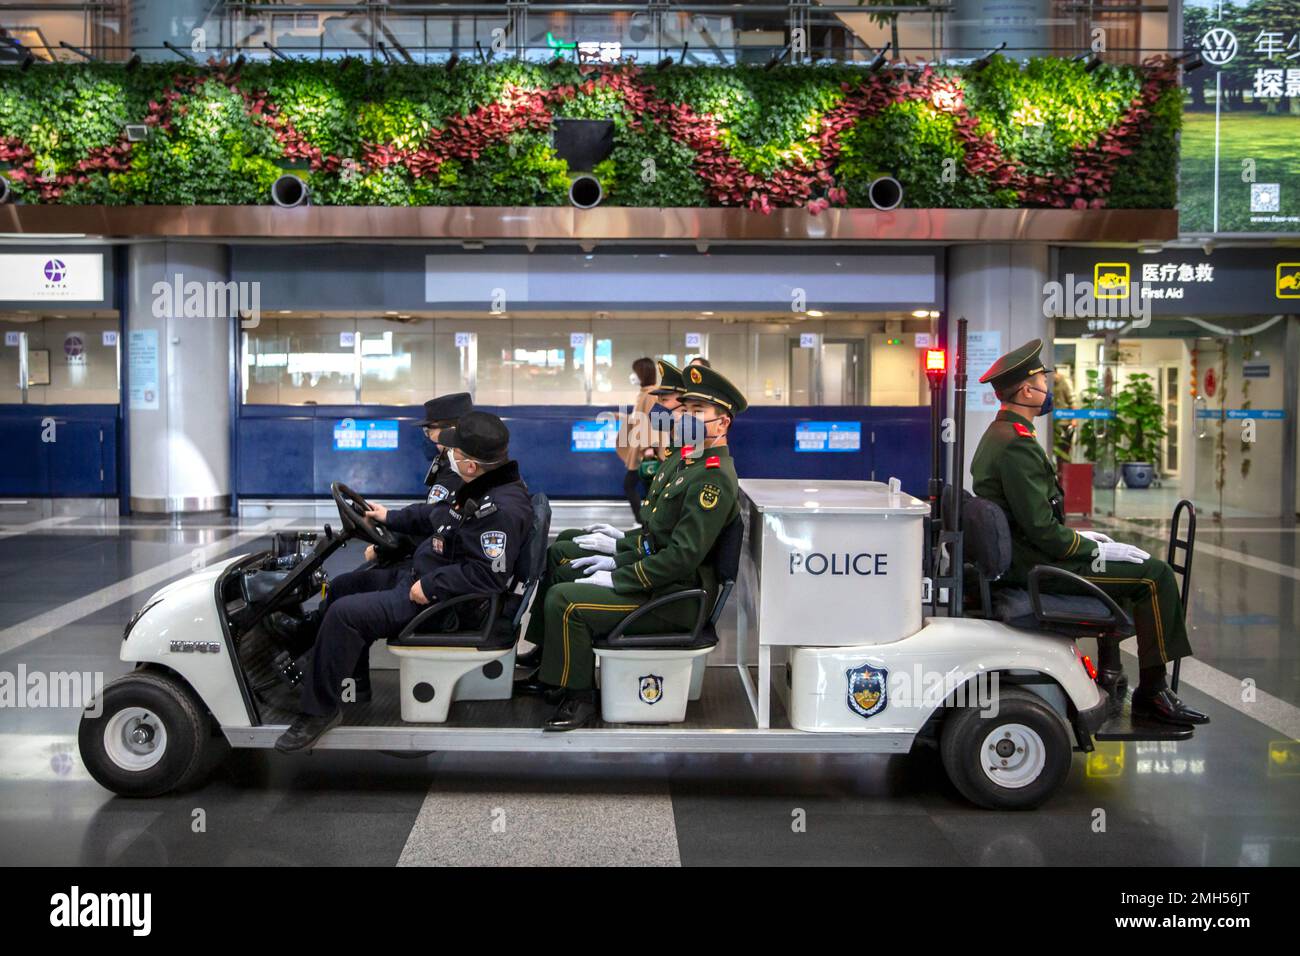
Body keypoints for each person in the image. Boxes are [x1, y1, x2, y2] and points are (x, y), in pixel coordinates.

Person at [970, 338, 1208, 726]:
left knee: (1139, 574)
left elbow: (1037, 519)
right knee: (1156, 576)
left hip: (1028, 555)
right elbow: (1044, 533)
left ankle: (1114, 674)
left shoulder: (1003, 435)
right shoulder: (1016, 444)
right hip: (1037, 564)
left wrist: (1089, 541)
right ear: (1027, 391)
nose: (1048, 388)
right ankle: (1153, 691)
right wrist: (1090, 549)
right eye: (1042, 382)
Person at [275, 411, 533, 752]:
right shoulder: (483, 485)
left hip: (446, 604)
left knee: (345, 614)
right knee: (343, 587)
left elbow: (489, 575)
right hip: (424, 578)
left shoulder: (498, 509)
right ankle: (336, 673)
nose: (448, 455)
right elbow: (435, 516)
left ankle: (317, 712)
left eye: (455, 452)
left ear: (470, 465)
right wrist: (389, 518)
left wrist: (432, 586)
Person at [530, 363, 747, 731]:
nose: (684, 418)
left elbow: (681, 557)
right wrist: (618, 546)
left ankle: (578, 697)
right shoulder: (691, 462)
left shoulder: (712, 477)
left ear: (722, 423)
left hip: (678, 598)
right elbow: (658, 535)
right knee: (566, 568)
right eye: (686, 410)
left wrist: (621, 577)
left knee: (566, 601)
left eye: (697, 413)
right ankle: (554, 671)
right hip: (667, 583)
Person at [514, 360, 686, 678]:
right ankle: (547, 651)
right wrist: (624, 540)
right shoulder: (677, 463)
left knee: (563, 595)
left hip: (667, 590)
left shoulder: (696, 472)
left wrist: (620, 567)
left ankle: (568, 686)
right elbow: (659, 534)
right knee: (561, 551)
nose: (666, 411)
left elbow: (680, 554)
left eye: (671, 404)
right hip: (651, 564)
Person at [618, 357, 659, 522]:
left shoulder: (650, 395)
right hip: (641, 448)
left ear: (643, 374)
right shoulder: (645, 393)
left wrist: (649, 447)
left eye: (635, 371)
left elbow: (651, 422)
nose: (633, 375)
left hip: (645, 450)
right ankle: (647, 521)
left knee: (632, 485)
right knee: (648, 486)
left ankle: (644, 521)